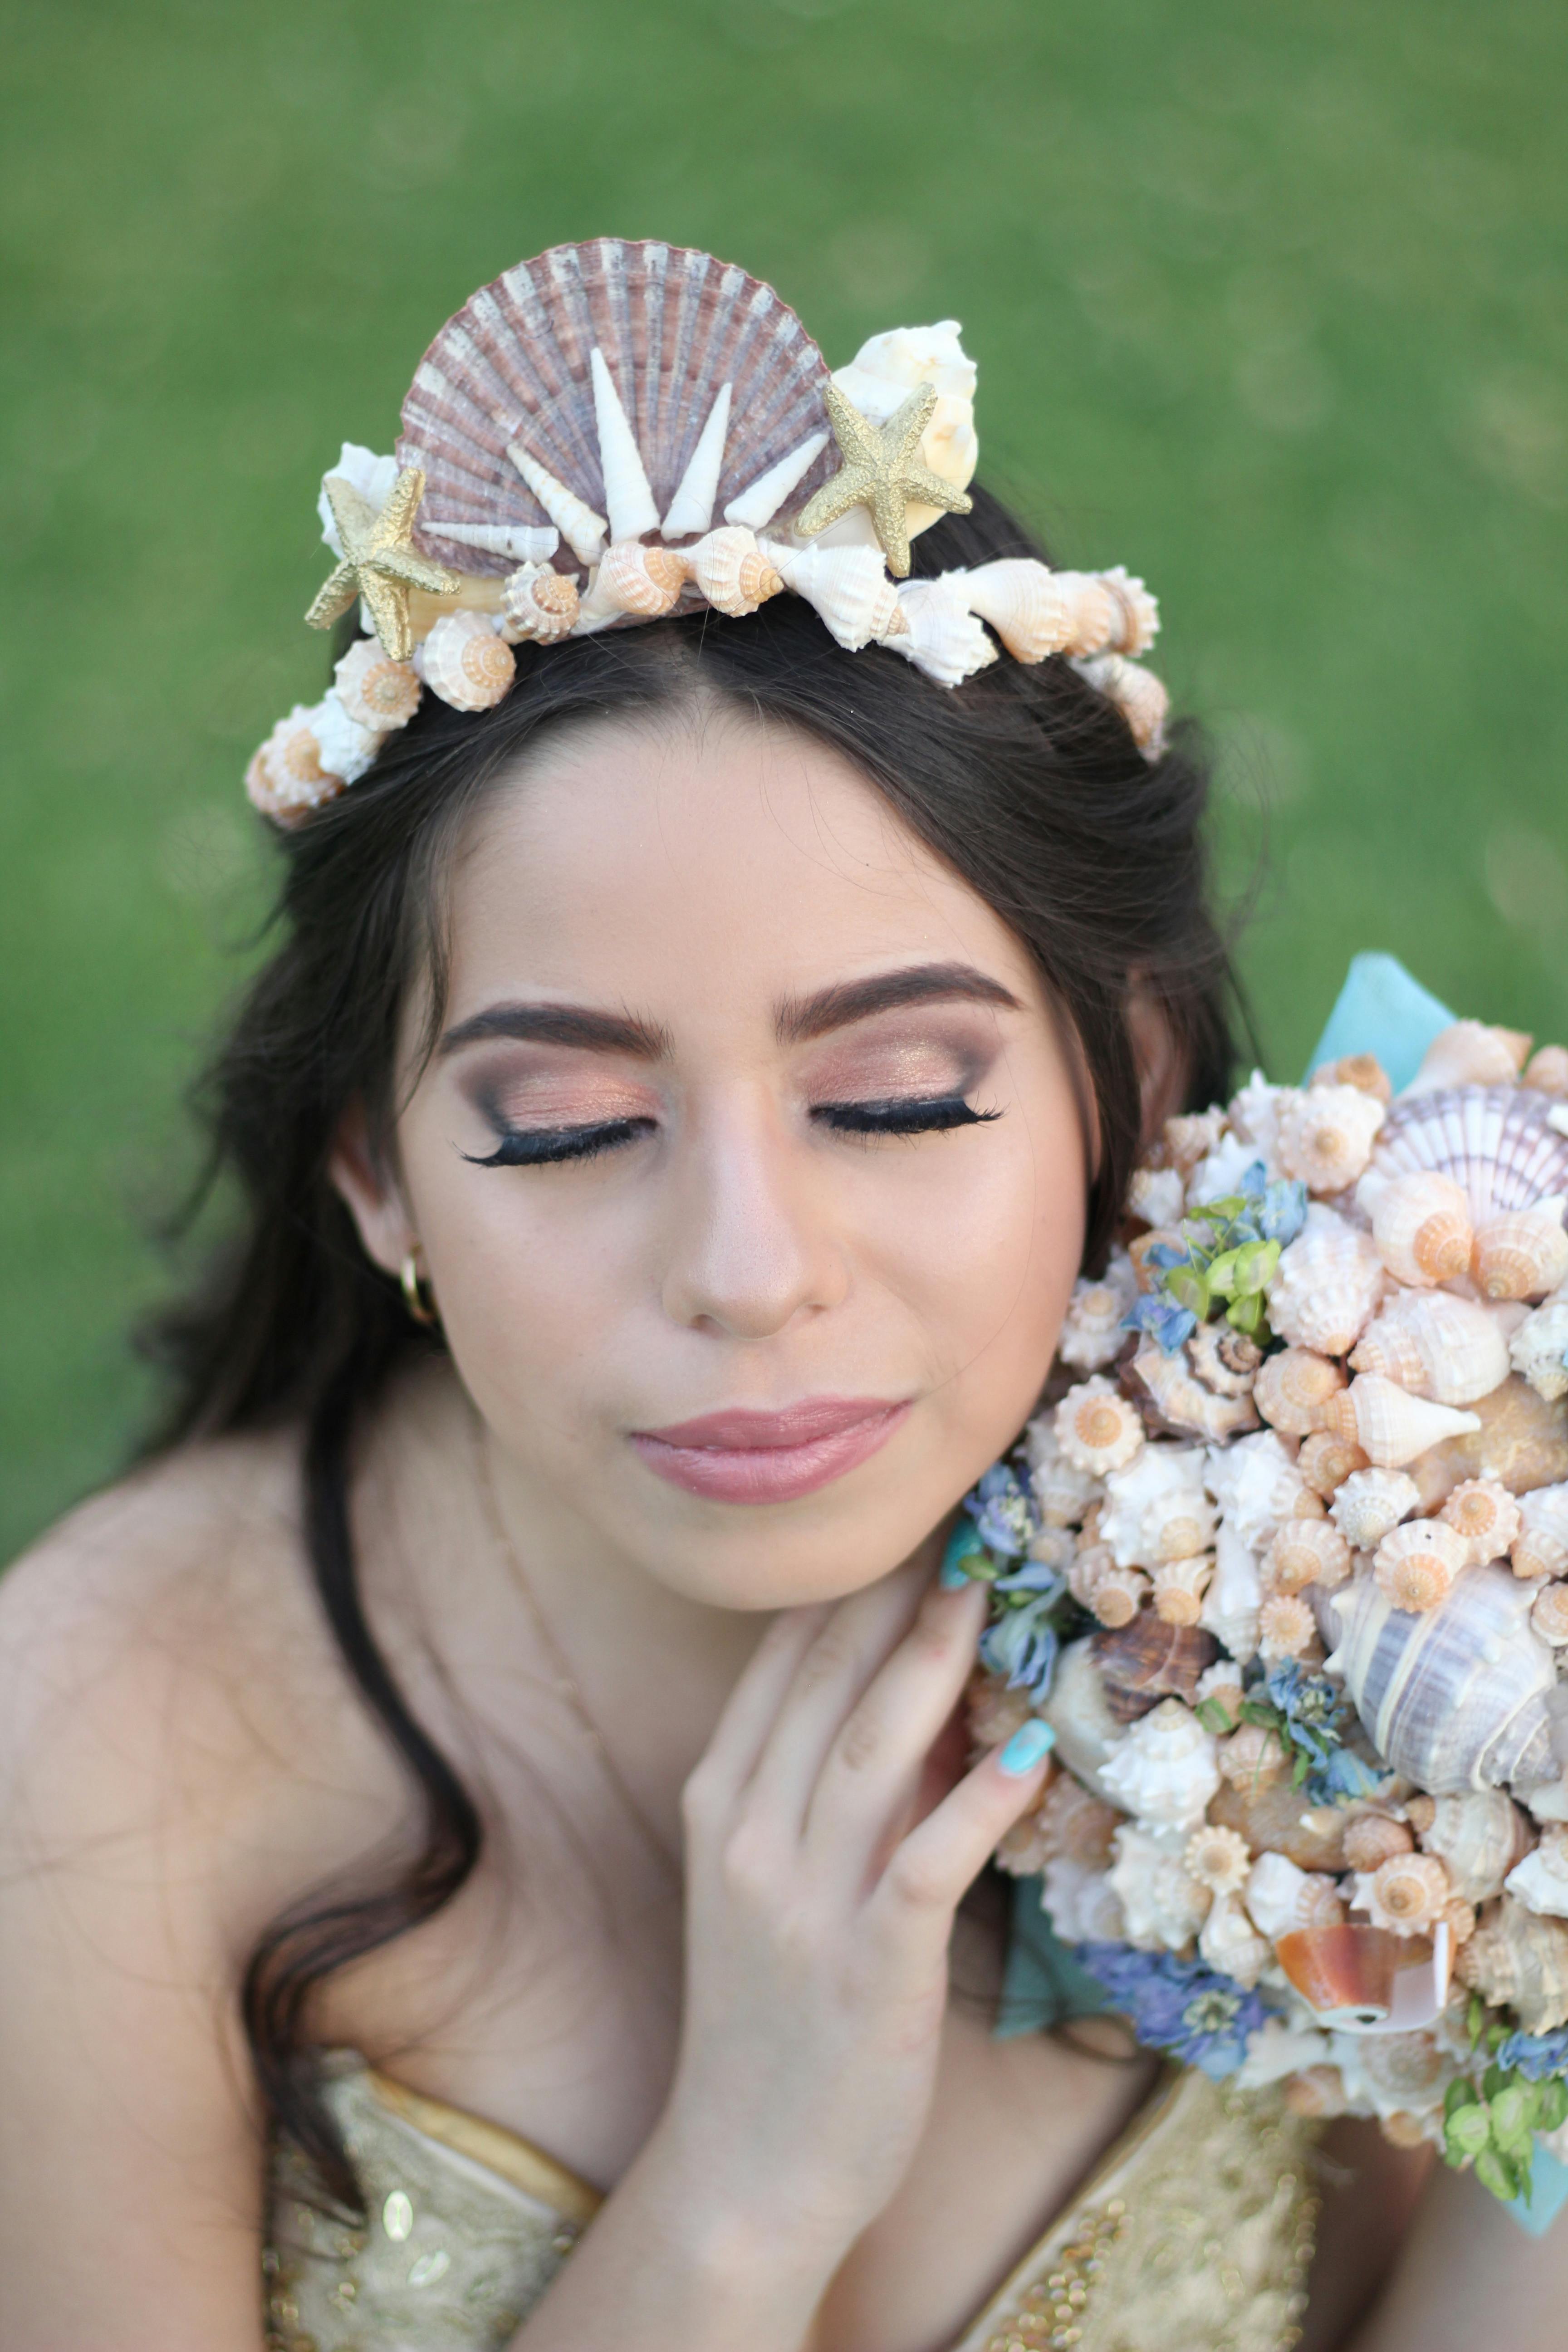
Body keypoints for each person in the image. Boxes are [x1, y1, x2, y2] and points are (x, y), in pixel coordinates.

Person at [0, 240, 1555, 2352]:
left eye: (899, 1096)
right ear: (375, 1177)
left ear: (1137, 1076)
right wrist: (734, 2201)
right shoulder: (98, 1759)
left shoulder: (1358, 1552)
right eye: (559, 1125)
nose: (748, 1272)